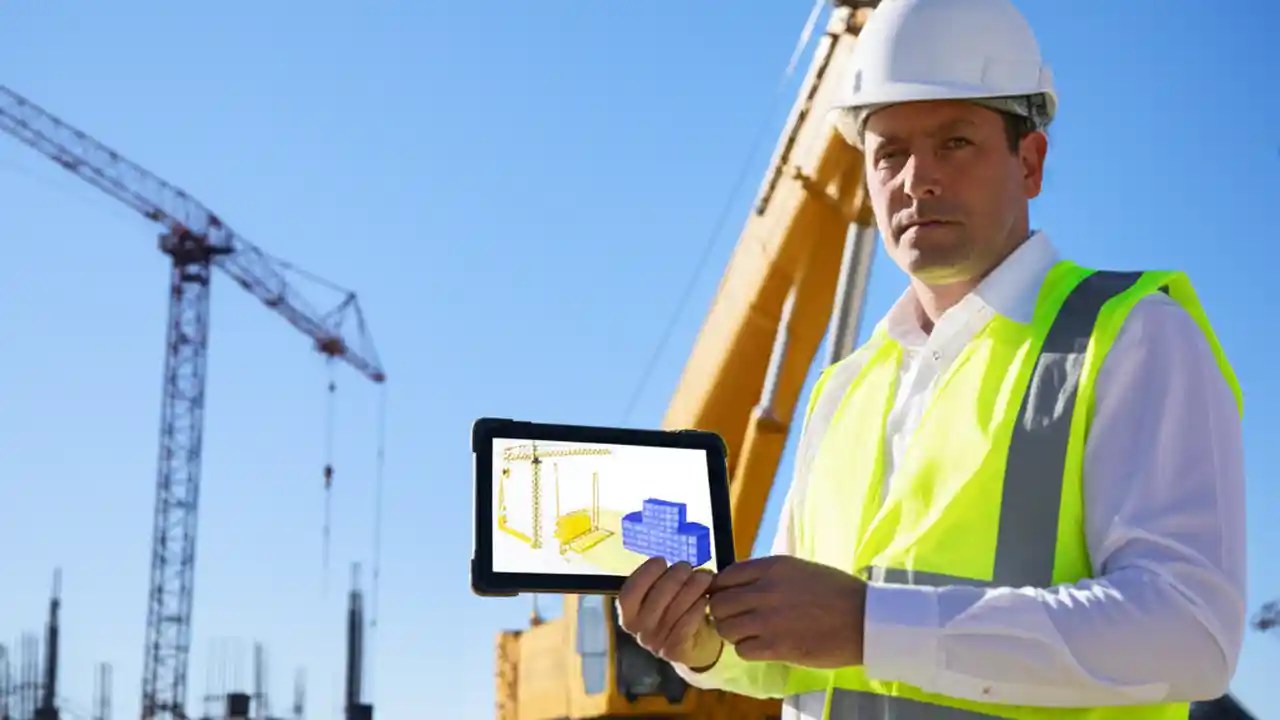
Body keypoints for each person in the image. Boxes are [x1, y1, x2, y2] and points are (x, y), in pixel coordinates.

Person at [616, 0, 1247, 718]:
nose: (917, 179)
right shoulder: (843, 389)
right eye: (889, 152)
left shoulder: (1131, 337)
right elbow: (800, 653)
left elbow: (1188, 633)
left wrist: (869, 626)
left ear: (1030, 161)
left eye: (954, 143)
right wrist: (708, 643)